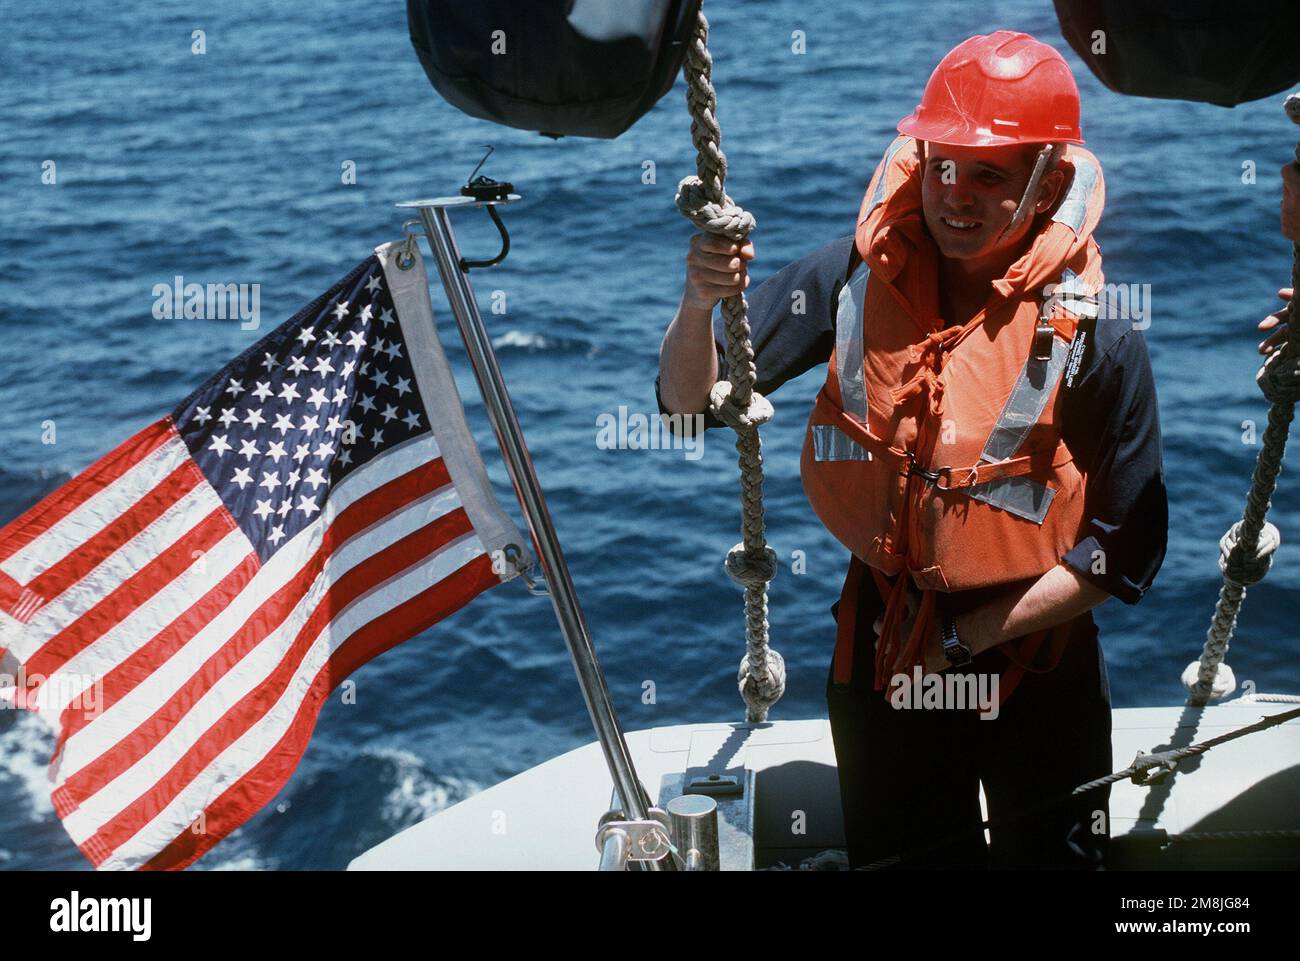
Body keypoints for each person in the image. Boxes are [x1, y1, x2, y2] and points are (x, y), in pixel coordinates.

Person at [657, 31, 1169, 869]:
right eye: (940, 167)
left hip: (1039, 663)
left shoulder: (1096, 335)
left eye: (988, 176)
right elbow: (684, 409)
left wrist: (969, 635)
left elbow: (1130, 546)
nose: (952, 197)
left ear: (1051, 181)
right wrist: (699, 299)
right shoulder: (859, 275)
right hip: (885, 652)